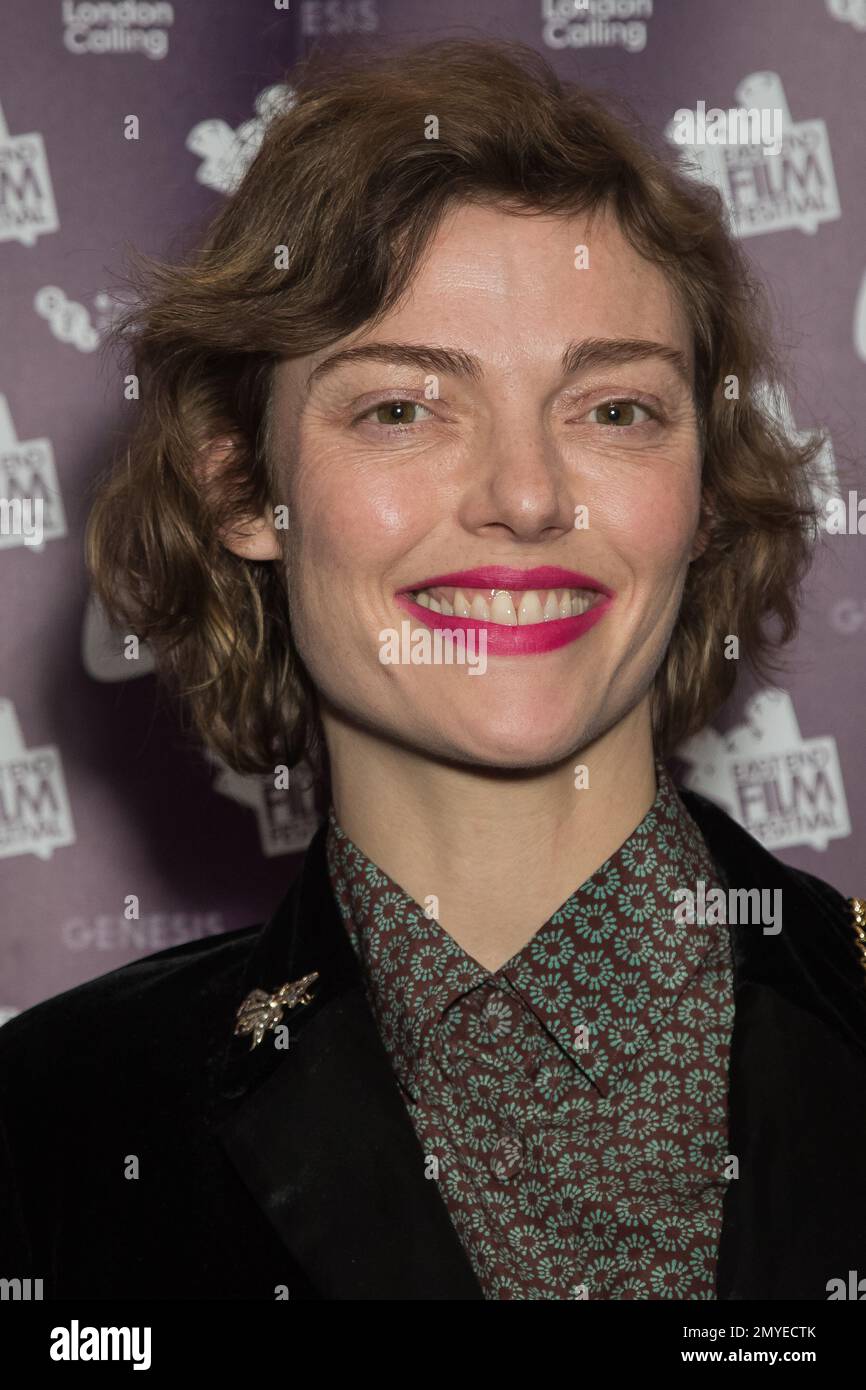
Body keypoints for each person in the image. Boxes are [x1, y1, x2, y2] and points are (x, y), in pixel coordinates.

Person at [1, 36, 864, 1303]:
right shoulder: (54, 1131)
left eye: (612, 409)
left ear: (698, 494)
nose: (524, 496)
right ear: (240, 482)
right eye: (401, 406)